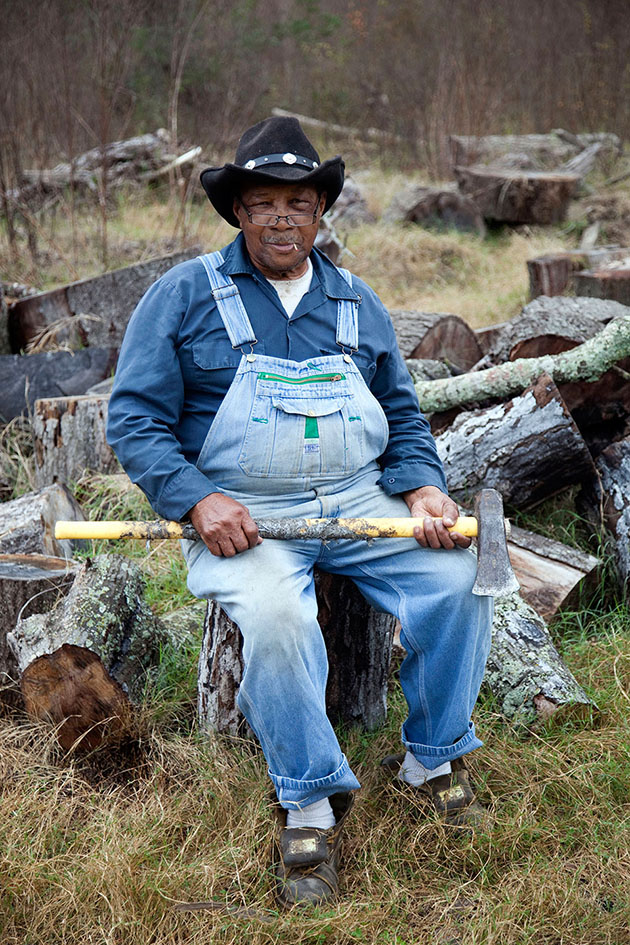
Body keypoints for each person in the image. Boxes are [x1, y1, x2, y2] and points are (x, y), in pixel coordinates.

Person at [107, 116, 494, 909]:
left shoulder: (357, 300)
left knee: (459, 577)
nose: (282, 217)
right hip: (241, 511)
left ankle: (432, 755)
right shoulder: (182, 296)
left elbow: (402, 410)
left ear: (321, 213)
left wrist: (421, 487)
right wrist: (194, 498)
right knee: (281, 619)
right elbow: (134, 419)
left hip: (357, 500)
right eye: (263, 202)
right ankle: (310, 799)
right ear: (238, 213)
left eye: (299, 201)